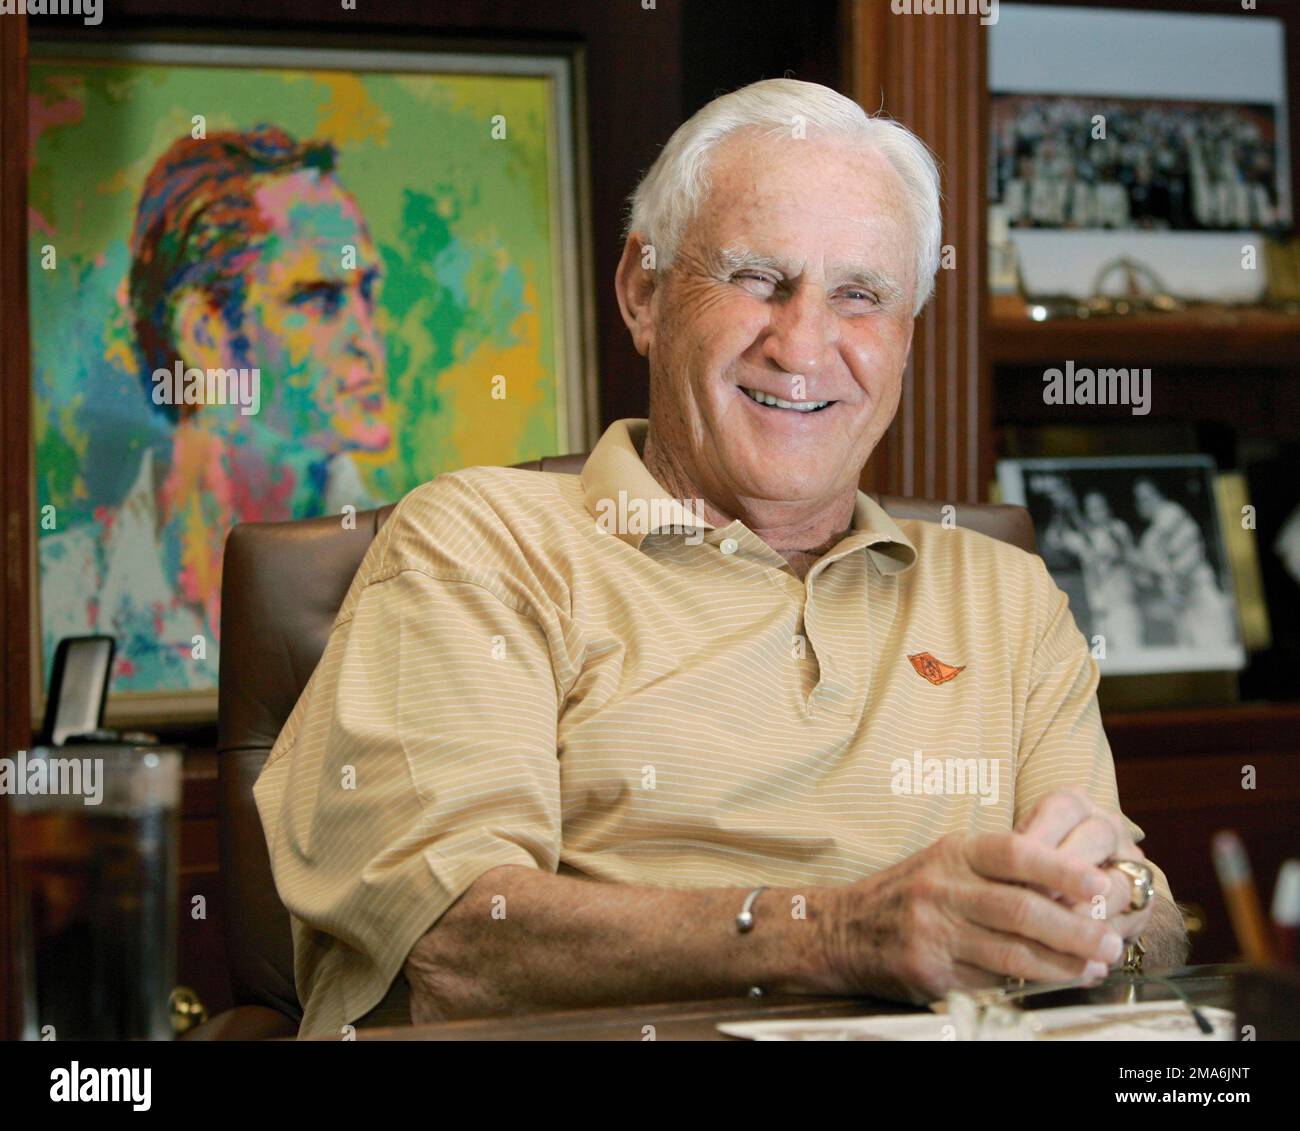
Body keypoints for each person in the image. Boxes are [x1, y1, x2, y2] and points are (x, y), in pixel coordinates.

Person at [254, 79, 1187, 1038]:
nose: (804, 345)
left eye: (860, 295)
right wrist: (834, 935)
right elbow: (451, 944)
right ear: (644, 293)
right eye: (757, 280)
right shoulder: (479, 543)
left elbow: (1150, 917)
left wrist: (1105, 908)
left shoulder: (1005, 594)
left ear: (908, 334)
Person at [40, 127, 392, 690]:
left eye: (367, 294)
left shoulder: (421, 582)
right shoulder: (52, 602)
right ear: (204, 334)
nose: (368, 341)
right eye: (319, 299)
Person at [1131, 479, 1236, 650]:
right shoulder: (1151, 536)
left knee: (1216, 647)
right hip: (1183, 607)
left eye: (1148, 497)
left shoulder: (1171, 512)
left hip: (1201, 596)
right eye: (1140, 499)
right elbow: (1147, 576)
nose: (1144, 504)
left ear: (1160, 495)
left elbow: (1166, 548)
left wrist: (1144, 559)